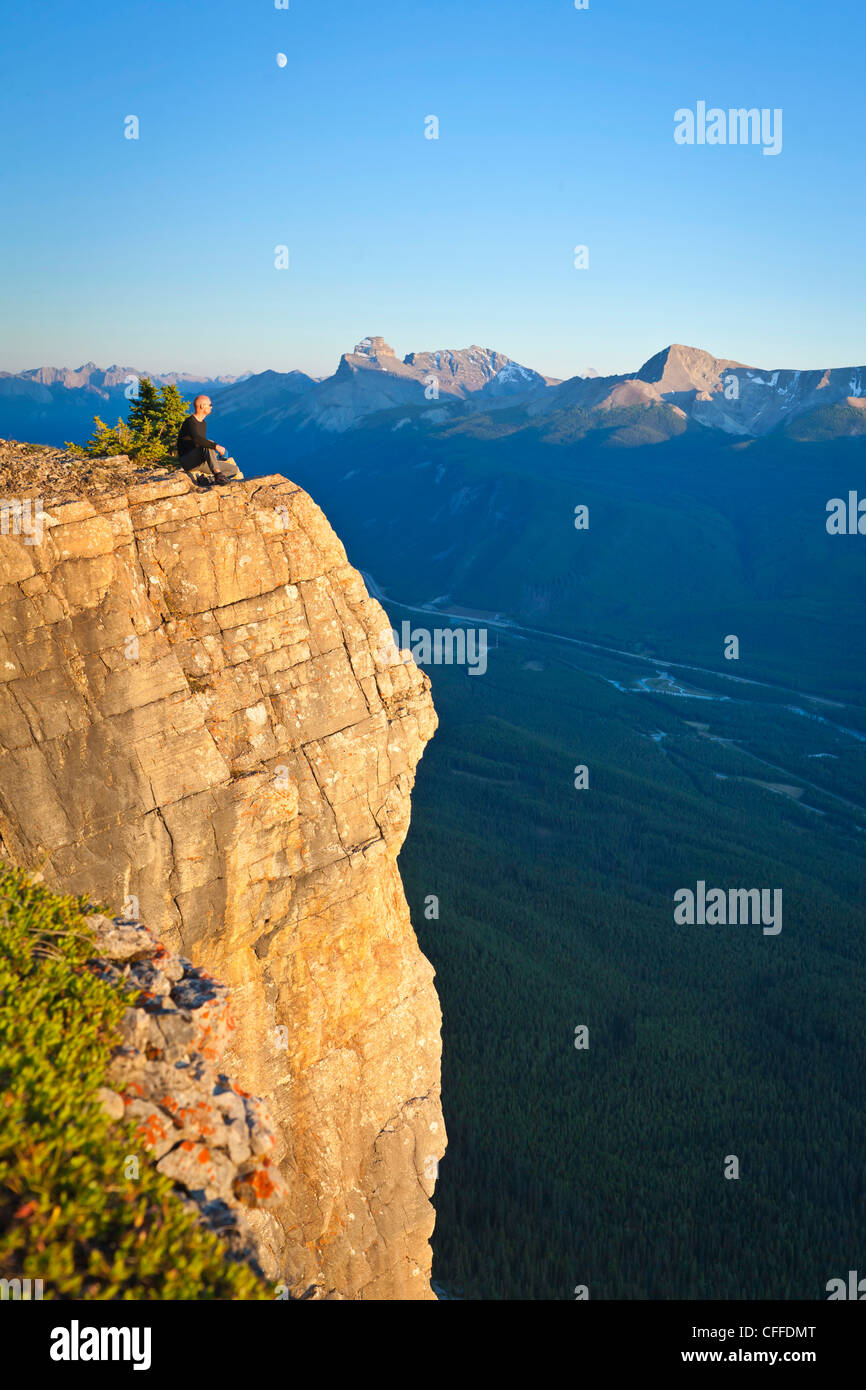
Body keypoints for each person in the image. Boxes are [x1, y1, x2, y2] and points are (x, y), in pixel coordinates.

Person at [176, 396, 239, 487]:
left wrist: (212, 458)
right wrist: (217, 446)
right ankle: (218, 475)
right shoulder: (189, 422)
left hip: (201, 462)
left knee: (233, 470)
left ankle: (209, 480)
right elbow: (198, 440)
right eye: (210, 405)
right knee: (209, 442)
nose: (211, 407)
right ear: (202, 406)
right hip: (189, 461)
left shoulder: (203, 423)